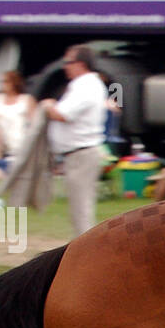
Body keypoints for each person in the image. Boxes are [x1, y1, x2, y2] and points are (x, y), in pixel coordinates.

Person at [38, 46, 108, 238]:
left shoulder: (86, 86)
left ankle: (89, 257)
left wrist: (47, 105)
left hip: (81, 155)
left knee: (81, 212)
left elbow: (62, 114)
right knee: (79, 211)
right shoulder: (87, 85)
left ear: (81, 64)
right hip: (79, 154)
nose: (65, 67)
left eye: (68, 62)